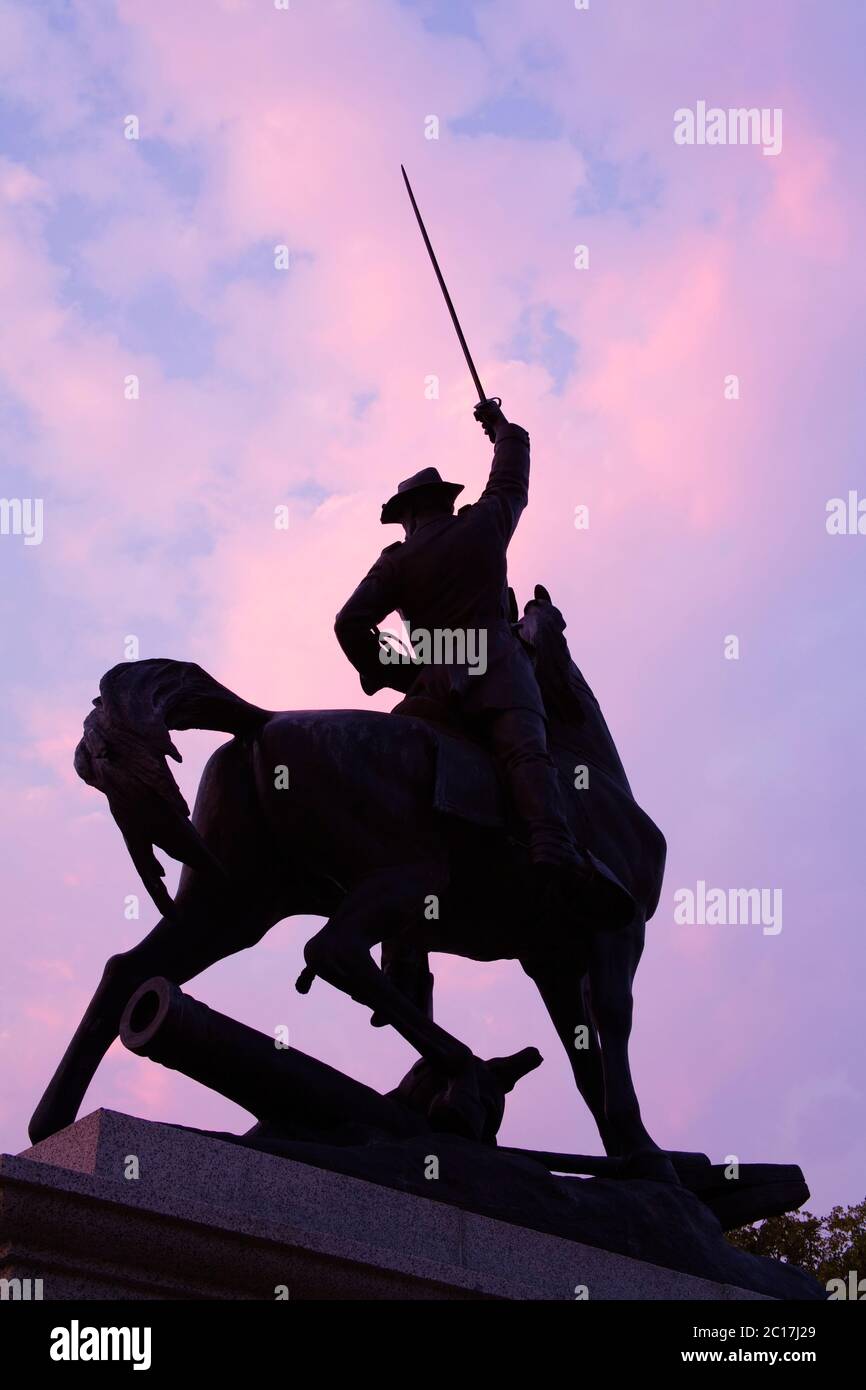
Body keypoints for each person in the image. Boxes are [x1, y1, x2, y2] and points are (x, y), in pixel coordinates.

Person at [334, 399, 631, 926]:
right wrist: (502, 431)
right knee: (526, 754)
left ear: (407, 516)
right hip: (497, 669)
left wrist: (400, 671)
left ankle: (402, 954)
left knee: (399, 802)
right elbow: (512, 482)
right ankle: (552, 847)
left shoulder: (396, 562)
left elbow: (349, 624)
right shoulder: (484, 524)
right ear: (445, 504)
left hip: (433, 692)